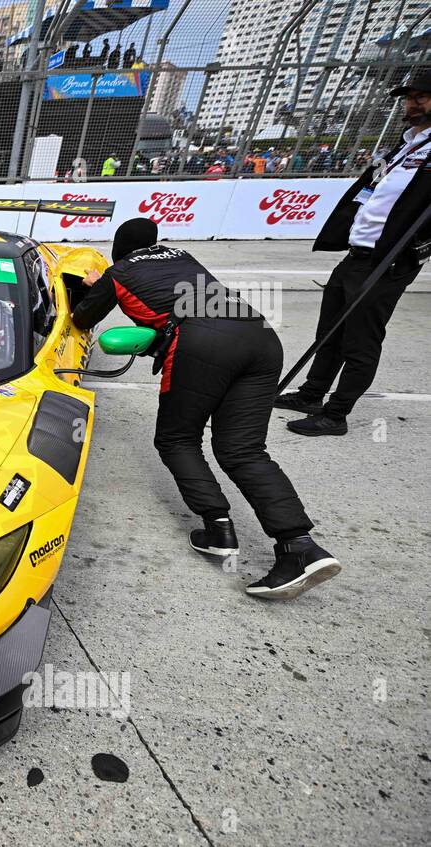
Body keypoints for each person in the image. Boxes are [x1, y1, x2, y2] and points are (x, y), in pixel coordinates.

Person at [72, 217, 340, 600]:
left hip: (202, 342)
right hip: (260, 337)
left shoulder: (118, 272)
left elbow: (82, 318)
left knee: (177, 439)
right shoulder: (185, 255)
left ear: (119, 247)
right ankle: (299, 546)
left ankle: (218, 528)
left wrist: (95, 286)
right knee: (244, 450)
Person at [277, 67, 431, 437]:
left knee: (360, 341)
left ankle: (336, 414)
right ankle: (312, 394)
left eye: (420, 98)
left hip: (388, 261)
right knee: (329, 330)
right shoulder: (407, 143)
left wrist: (412, 249)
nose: (411, 105)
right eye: (409, 98)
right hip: (357, 255)